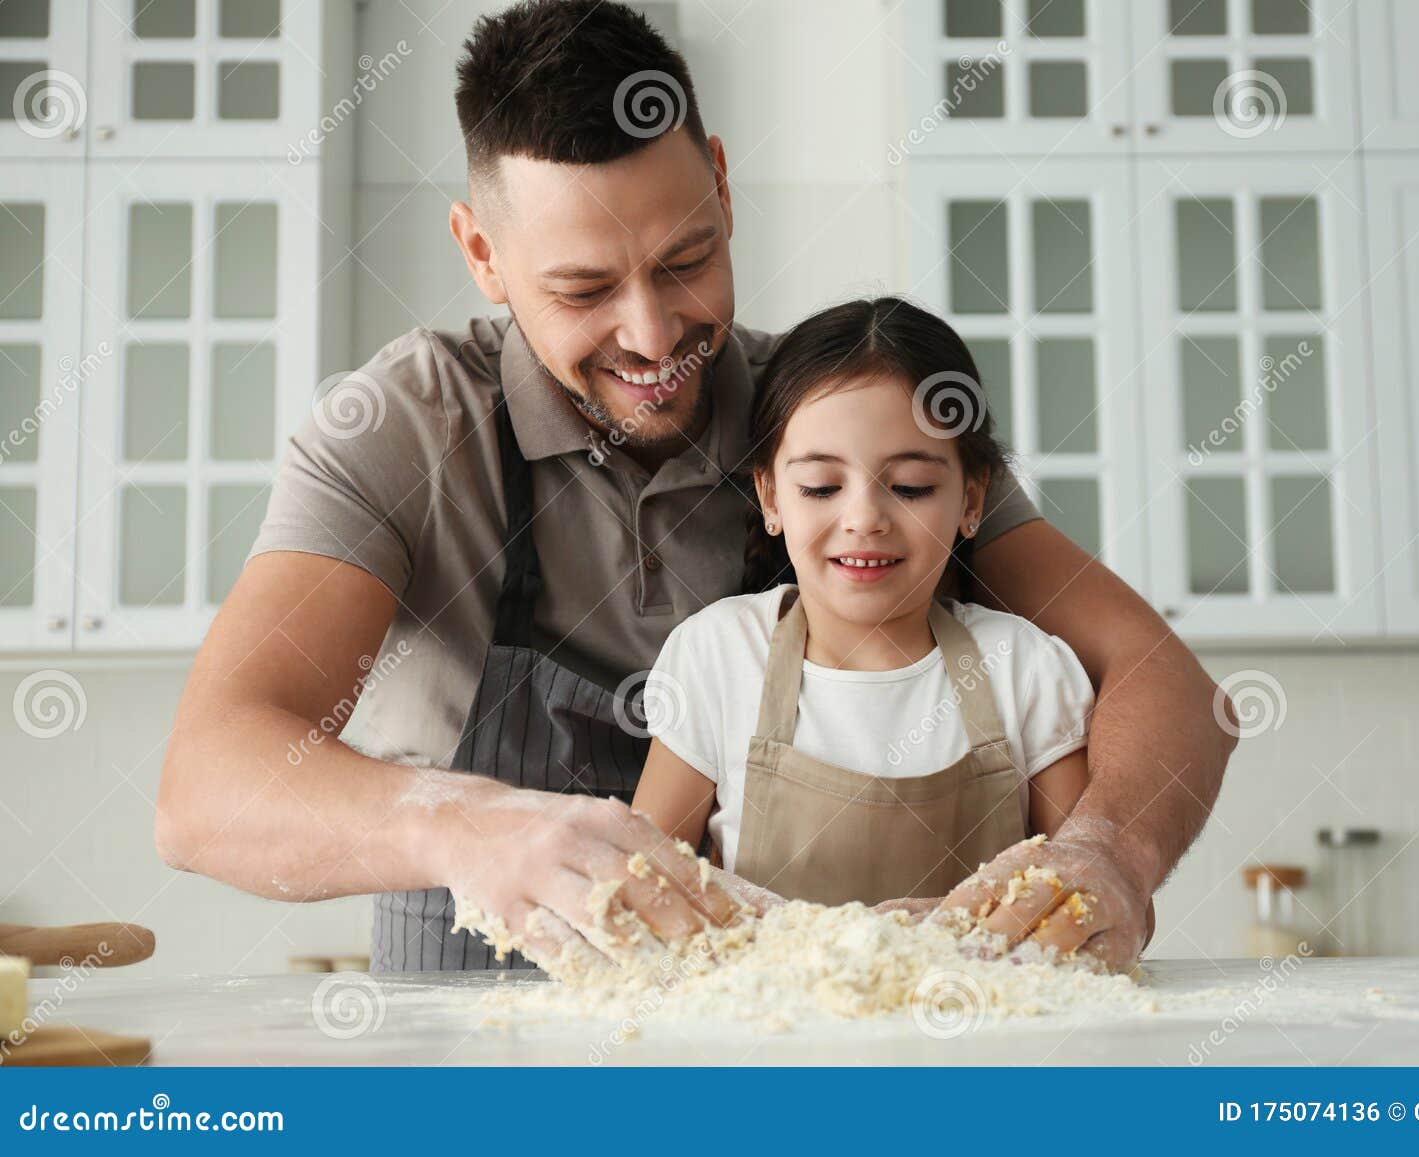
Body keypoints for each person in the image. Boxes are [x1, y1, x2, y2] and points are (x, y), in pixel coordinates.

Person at [155, 0, 1233, 975]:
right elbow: (207, 784)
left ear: (720, 180)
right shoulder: (404, 425)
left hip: (761, 1049)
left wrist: (1109, 852)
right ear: (482, 252)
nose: (654, 333)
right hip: (467, 1049)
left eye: (685, 259)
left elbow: (1158, 676)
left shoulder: (831, 427)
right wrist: (464, 824)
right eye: (583, 288)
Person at [634, 297, 1097, 919]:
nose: (864, 519)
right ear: (770, 497)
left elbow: (1085, 904)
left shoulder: (1026, 669)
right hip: (767, 1015)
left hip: (985, 1011)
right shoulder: (717, 657)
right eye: (822, 487)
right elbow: (642, 891)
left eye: (910, 487)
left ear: (971, 500)